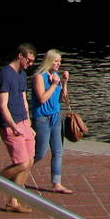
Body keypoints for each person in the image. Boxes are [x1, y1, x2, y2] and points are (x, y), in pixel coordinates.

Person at [0, 43, 37, 213]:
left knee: (29, 162)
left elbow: (23, 99)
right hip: (10, 124)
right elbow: (3, 105)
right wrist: (13, 126)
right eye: (29, 60)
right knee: (21, 163)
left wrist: (29, 123)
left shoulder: (22, 74)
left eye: (32, 61)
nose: (30, 64)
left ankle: (13, 201)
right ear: (20, 56)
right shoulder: (5, 74)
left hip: (24, 122)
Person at [31, 48, 73, 194]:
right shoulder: (39, 76)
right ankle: (20, 171)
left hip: (56, 117)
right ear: (49, 61)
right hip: (42, 118)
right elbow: (42, 98)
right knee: (40, 153)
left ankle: (57, 183)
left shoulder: (55, 76)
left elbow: (63, 99)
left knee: (58, 151)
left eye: (60, 61)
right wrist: (54, 84)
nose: (58, 64)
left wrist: (64, 83)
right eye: (56, 61)